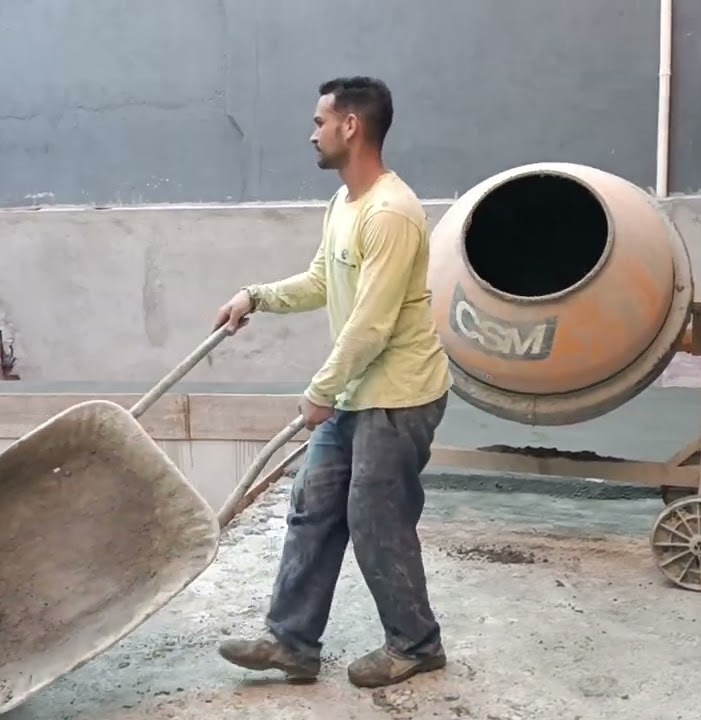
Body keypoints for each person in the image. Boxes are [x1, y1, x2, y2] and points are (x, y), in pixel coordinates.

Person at [212, 76, 453, 689]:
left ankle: (416, 645)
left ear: (351, 127)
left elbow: (371, 324)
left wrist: (321, 390)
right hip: (356, 390)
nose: (311, 132)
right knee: (313, 509)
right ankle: (292, 644)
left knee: (376, 520)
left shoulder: (392, 213)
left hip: (397, 396)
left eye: (320, 120)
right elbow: (323, 280)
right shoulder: (344, 206)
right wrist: (256, 296)